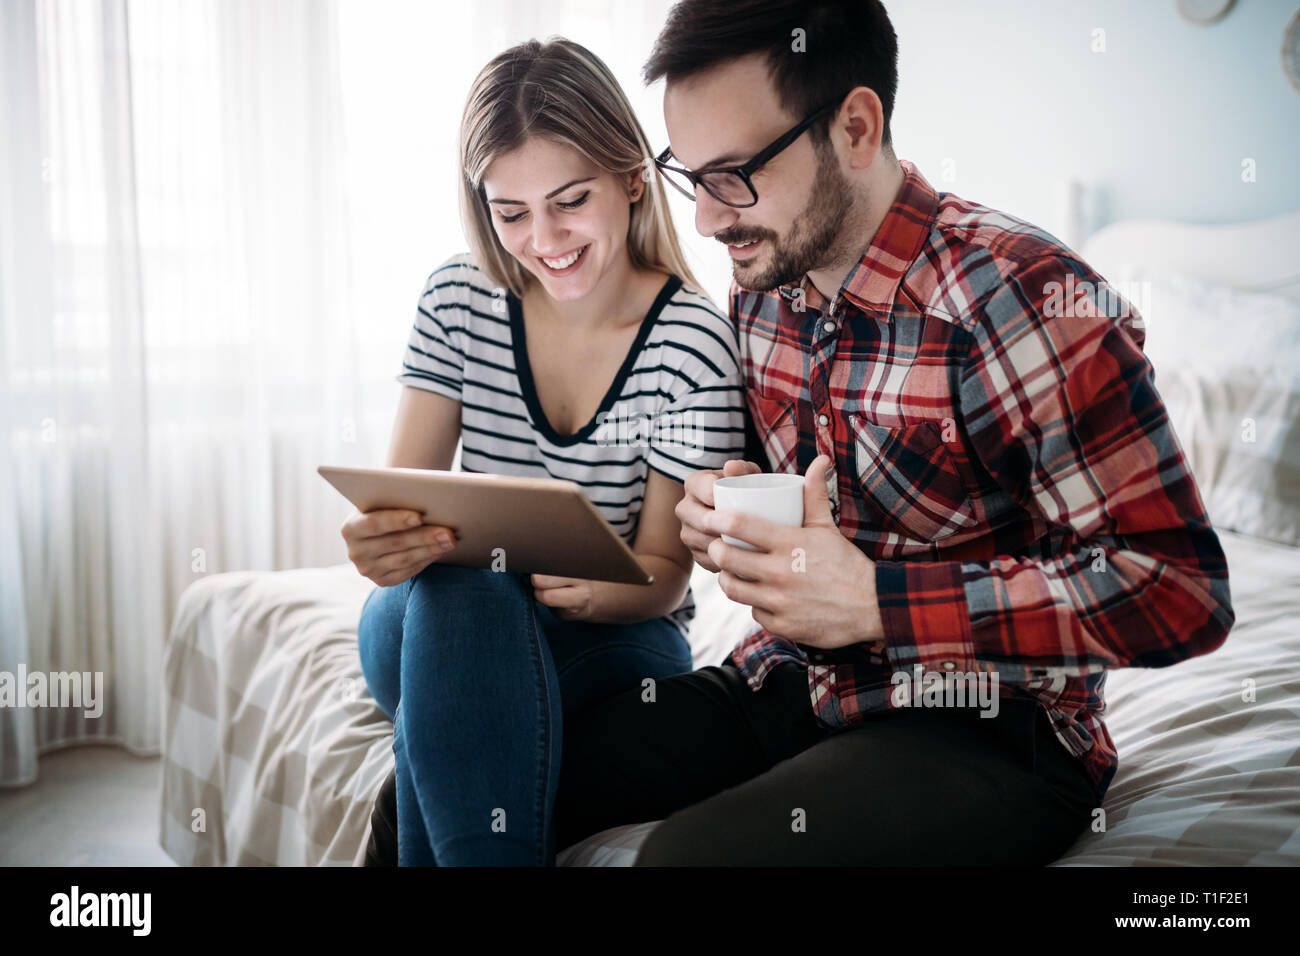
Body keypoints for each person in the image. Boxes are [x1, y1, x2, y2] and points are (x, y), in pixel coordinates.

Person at [548, 0, 1235, 865]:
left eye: (734, 175)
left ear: (856, 128)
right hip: (794, 681)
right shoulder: (763, 289)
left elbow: (1180, 588)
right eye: (691, 177)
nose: (708, 220)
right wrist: (719, 512)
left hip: (989, 721)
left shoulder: (1025, 298)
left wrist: (877, 601)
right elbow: (792, 505)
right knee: (481, 776)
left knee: (689, 861)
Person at [348, 36, 747, 866]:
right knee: (462, 586)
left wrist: (593, 590)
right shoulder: (457, 299)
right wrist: (384, 549)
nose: (544, 238)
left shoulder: (692, 342)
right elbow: (406, 501)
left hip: (618, 633)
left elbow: (665, 575)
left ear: (631, 178)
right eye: (511, 212)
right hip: (440, 616)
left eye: (570, 201)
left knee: (457, 666)